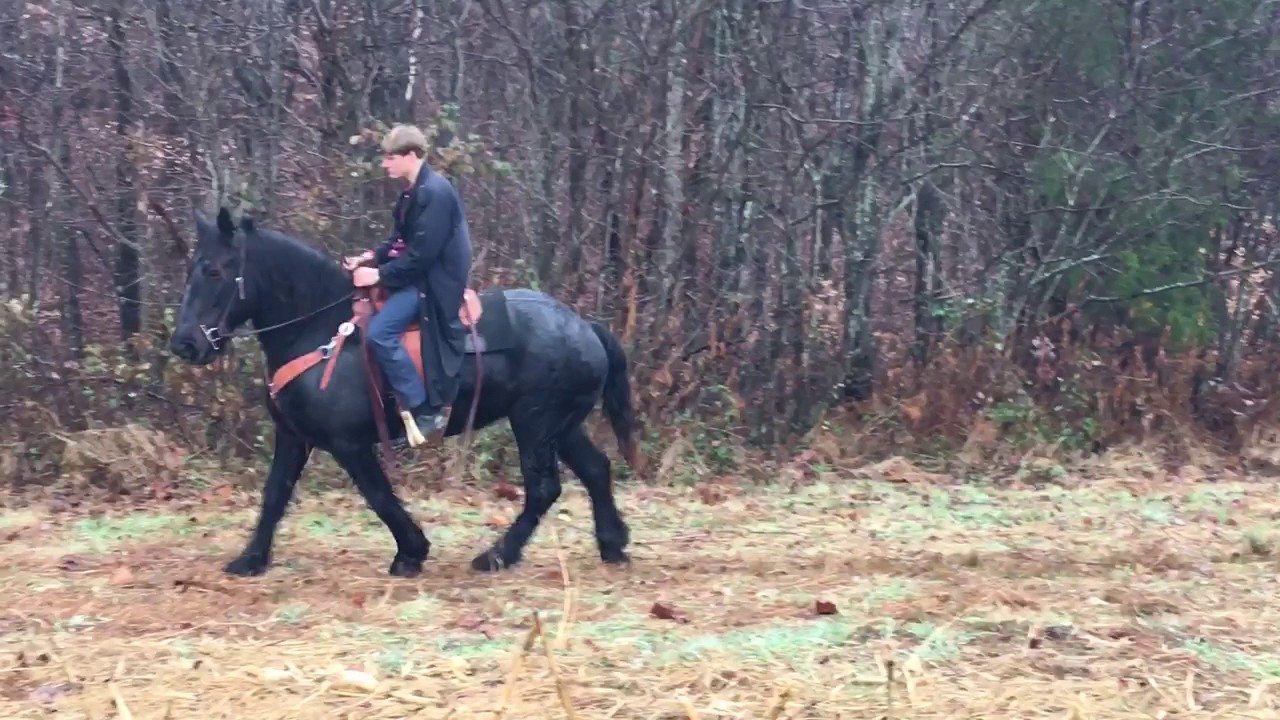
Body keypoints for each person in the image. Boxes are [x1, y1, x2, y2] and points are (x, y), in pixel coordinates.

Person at [343, 124, 473, 444]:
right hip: (417, 274)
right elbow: (400, 240)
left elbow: (421, 256)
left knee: (380, 334)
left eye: (390, 158)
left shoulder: (435, 194)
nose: (385, 164)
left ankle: (424, 411)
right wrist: (371, 257)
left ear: (411, 156)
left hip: (434, 281)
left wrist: (378, 275)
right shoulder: (411, 193)